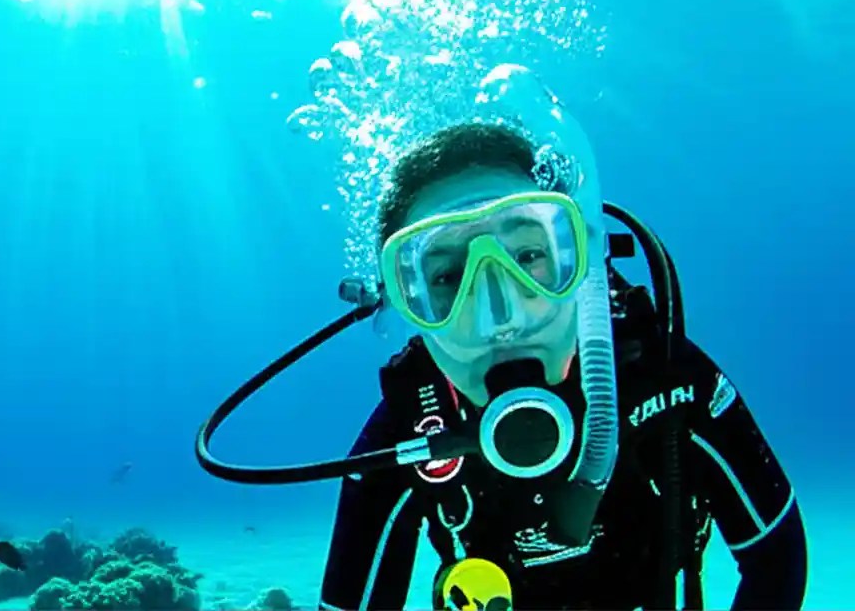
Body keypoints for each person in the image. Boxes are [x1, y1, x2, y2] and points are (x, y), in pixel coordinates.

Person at [194, 64, 807, 611]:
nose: (500, 314)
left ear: (583, 266)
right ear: (404, 303)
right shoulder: (408, 435)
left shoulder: (664, 379)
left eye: (531, 255)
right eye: (445, 276)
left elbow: (777, 564)